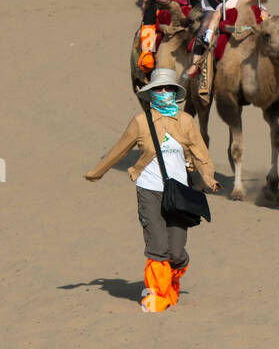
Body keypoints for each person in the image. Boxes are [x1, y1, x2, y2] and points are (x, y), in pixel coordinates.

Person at [83, 68, 222, 312]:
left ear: (175, 92)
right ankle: (156, 296)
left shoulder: (186, 121)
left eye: (169, 88)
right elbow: (119, 150)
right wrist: (97, 172)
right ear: (151, 93)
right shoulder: (140, 122)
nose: (164, 92)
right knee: (157, 247)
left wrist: (209, 178)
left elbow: (201, 153)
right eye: (159, 88)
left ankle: (171, 281)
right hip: (149, 190)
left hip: (179, 193)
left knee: (177, 252)